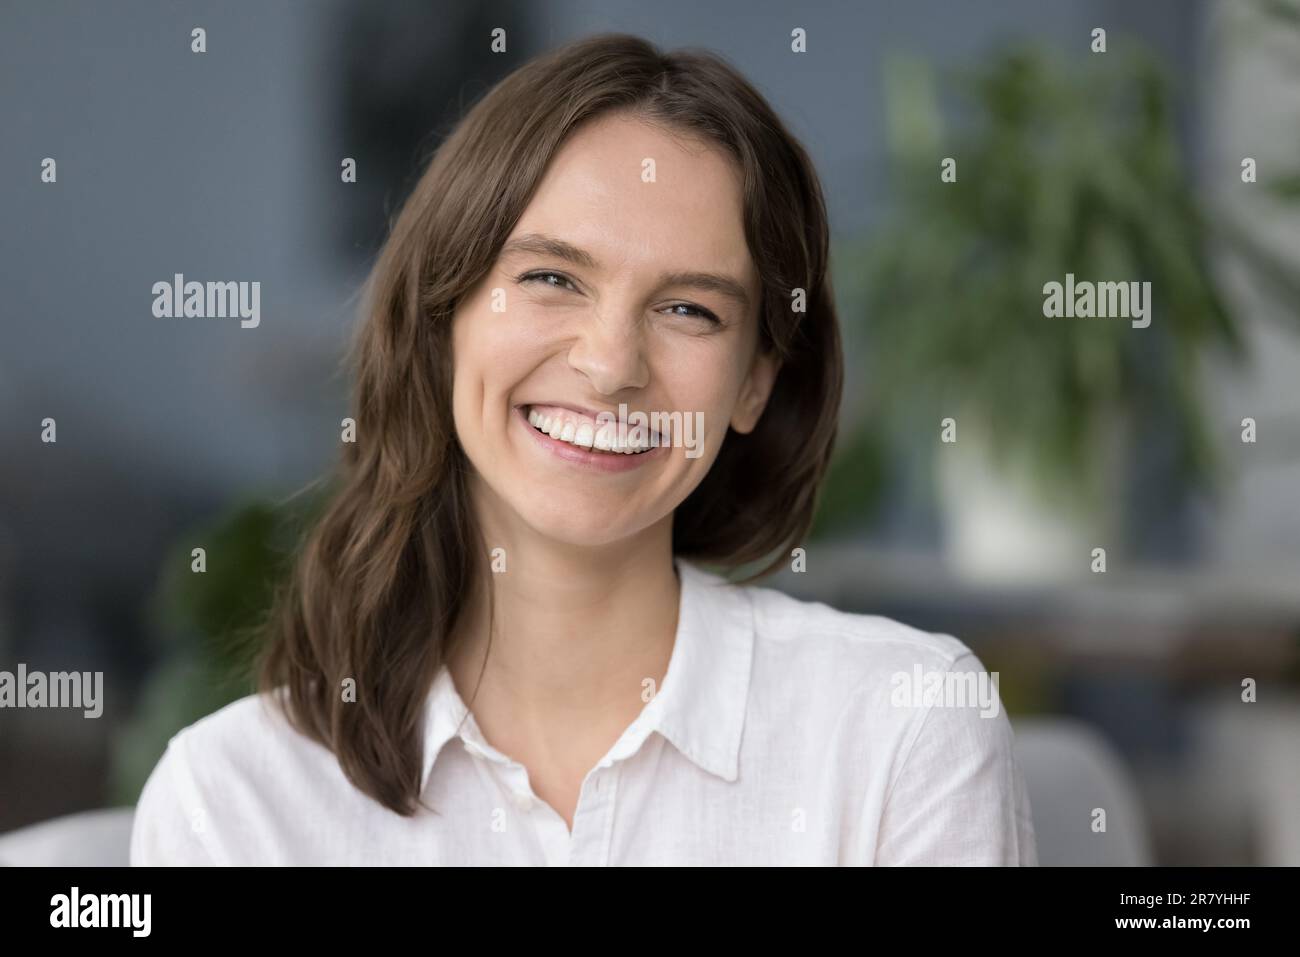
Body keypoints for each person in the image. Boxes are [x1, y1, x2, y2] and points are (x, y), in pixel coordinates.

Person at [130, 32, 1036, 866]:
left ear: (755, 379)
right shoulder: (232, 804)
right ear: (444, 321)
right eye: (551, 278)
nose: (609, 367)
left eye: (689, 309)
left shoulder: (905, 729)